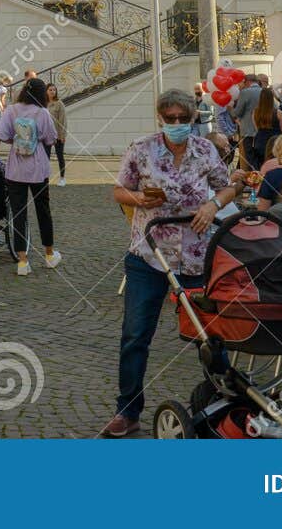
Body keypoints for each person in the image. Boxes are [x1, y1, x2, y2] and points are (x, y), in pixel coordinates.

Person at [105, 88, 245, 438]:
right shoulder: (142, 149)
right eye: (171, 119)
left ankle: (228, 403)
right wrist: (139, 198)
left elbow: (228, 188)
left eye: (184, 118)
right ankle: (128, 411)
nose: (178, 124)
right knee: (135, 335)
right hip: (149, 254)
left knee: (210, 334)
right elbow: (120, 190)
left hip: (197, 257)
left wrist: (213, 205)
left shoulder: (205, 150)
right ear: (160, 118)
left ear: (194, 117)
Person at [0, 78, 61, 277]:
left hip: (15, 169)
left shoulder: (11, 110)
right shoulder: (43, 113)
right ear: (42, 94)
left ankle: (22, 261)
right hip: (38, 168)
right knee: (43, 210)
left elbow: (2, 135)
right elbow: (51, 138)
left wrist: (17, 139)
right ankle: (49, 255)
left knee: (18, 213)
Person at [247, 88, 281, 171]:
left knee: (262, 164)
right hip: (275, 141)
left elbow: (256, 128)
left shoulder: (255, 112)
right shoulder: (278, 113)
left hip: (260, 140)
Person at [232, 76, 262, 167]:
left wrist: (230, 109)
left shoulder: (245, 92)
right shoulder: (265, 91)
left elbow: (237, 113)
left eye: (242, 83)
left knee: (250, 159)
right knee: (260, 157)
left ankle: (254, 179)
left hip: (248, 131)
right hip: (262, 131)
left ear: (247, 82)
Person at [46, 85, 69, 187]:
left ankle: (62, 178)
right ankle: (44, 178)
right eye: (50, 90)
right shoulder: (43, 104)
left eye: (54, 90)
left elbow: (63, 120)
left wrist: (62, 135)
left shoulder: (59, 104)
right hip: (46, 135)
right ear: (46, 91)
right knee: (45, 157)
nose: (52, 92)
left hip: (58, 135)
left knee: (60, 156)